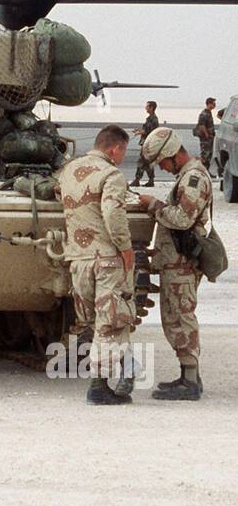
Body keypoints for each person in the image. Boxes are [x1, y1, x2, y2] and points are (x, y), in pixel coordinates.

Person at [57, 125, 136, 405]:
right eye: (124, 151)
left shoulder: (68, 170)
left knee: (93, 321)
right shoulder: (111, 174)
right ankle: (98, 387)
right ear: (115, 149)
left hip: (78, 259)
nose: (123, 157)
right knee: (109, 322)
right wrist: (125, 247)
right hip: (106, 260)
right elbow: (113, 213)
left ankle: (125, 365)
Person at [137, 126, 212, 401]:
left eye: (162, 162)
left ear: (172, 154)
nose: (162, 167)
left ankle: (189, 381)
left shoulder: (193, 178)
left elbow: (182, 219)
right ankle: (188, 376)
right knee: (174, 316)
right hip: (176, 261)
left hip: (182, 263)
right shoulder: (188, 175)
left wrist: (153, 205)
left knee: (180, 316)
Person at [130, 101, 159, 188]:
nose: (146, 108)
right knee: (147, 162)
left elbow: (149, 131)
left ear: (151, 107)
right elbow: (146, 129)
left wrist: (139, 132)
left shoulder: (153, 119)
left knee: (142, 161)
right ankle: (150, 180)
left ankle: (137, 180)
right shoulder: (150, 118)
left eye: (147, 106)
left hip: (149, 143)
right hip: (148, 143)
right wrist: (138, 130)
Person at [194, 97, 216, 169]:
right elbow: (202, 125)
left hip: (209, 137)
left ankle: (206, 170)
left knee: (209, 154)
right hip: (205, 138)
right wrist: (206, 134)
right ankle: (202, 169)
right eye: (213, 103)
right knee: (205, 154)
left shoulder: (209, 113)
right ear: (209, 104)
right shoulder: (204, 114)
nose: (214, 105)